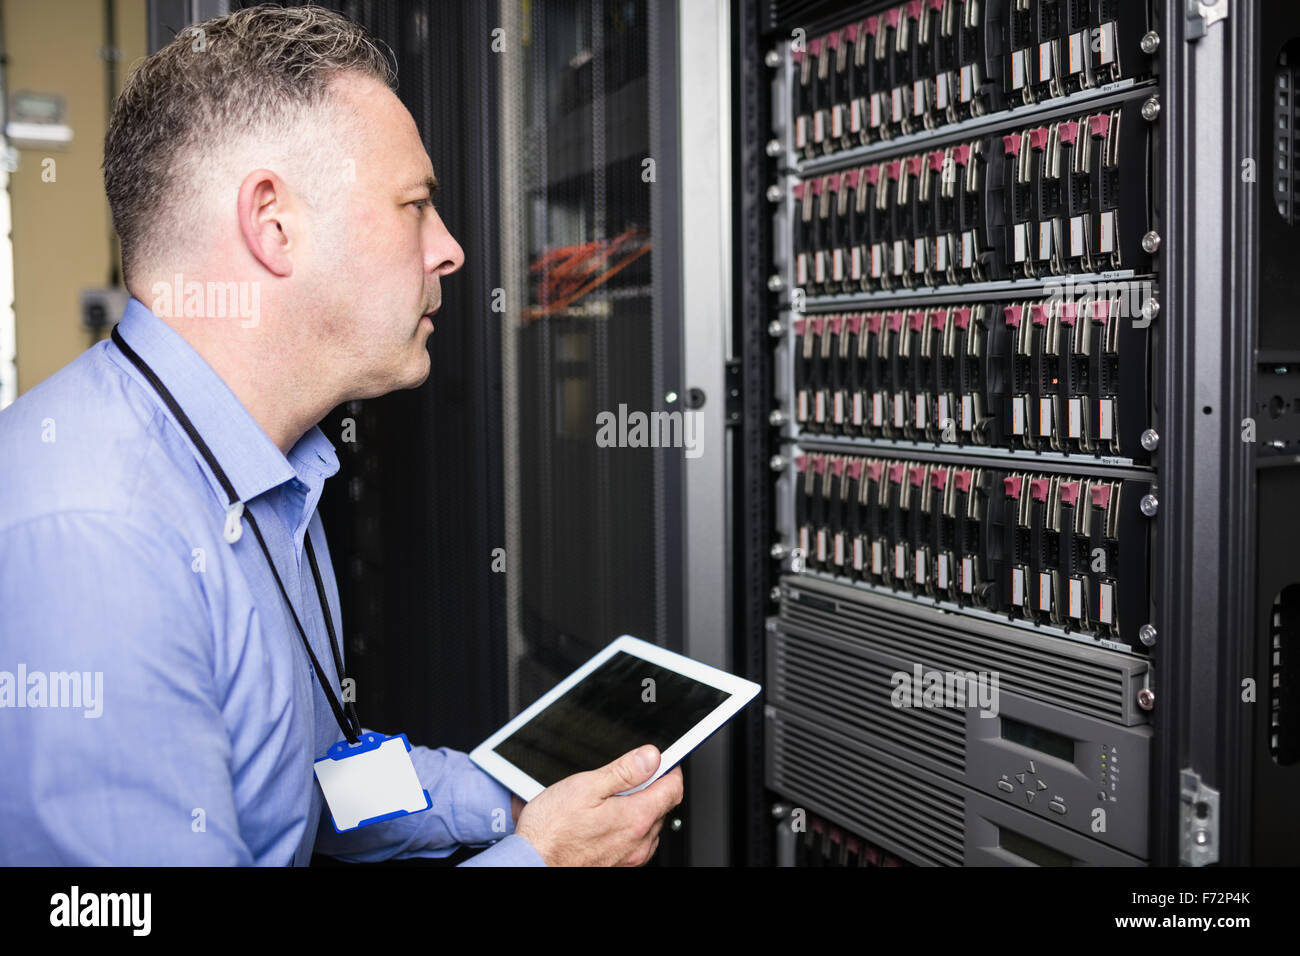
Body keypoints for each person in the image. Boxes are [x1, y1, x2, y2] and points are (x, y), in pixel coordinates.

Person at [0, 3, 682, 866]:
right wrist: (542, 863)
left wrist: (514, 802)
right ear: (273, 225)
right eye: (414, 205)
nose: (452, 250)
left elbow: (315, 784)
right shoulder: (96, 545)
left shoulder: (269, 472)